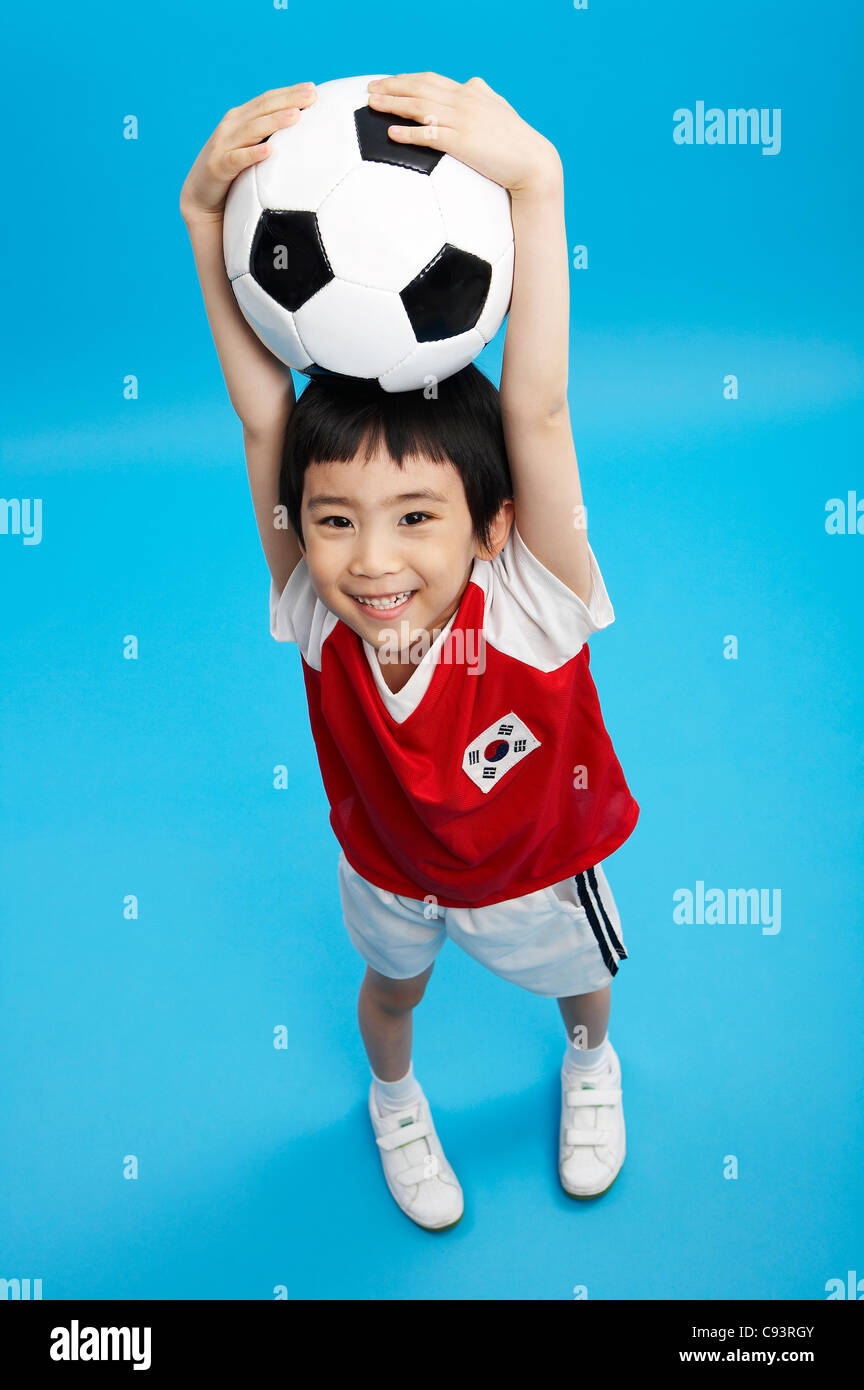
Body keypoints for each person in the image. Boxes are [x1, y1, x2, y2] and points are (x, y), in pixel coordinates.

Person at [180, 72, 639, 1232]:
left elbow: (535, 414)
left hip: (534, 865)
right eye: (336, 520)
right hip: (389, 869)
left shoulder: (534, 595)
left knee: (585, 987)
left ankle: (591, 1066)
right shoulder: (316, 605)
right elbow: (264, 420)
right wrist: (202, 219)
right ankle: (394, 1098)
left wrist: (540, 185)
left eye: (416, 518)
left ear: (489, 527)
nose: (371, 559)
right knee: (390, 994)